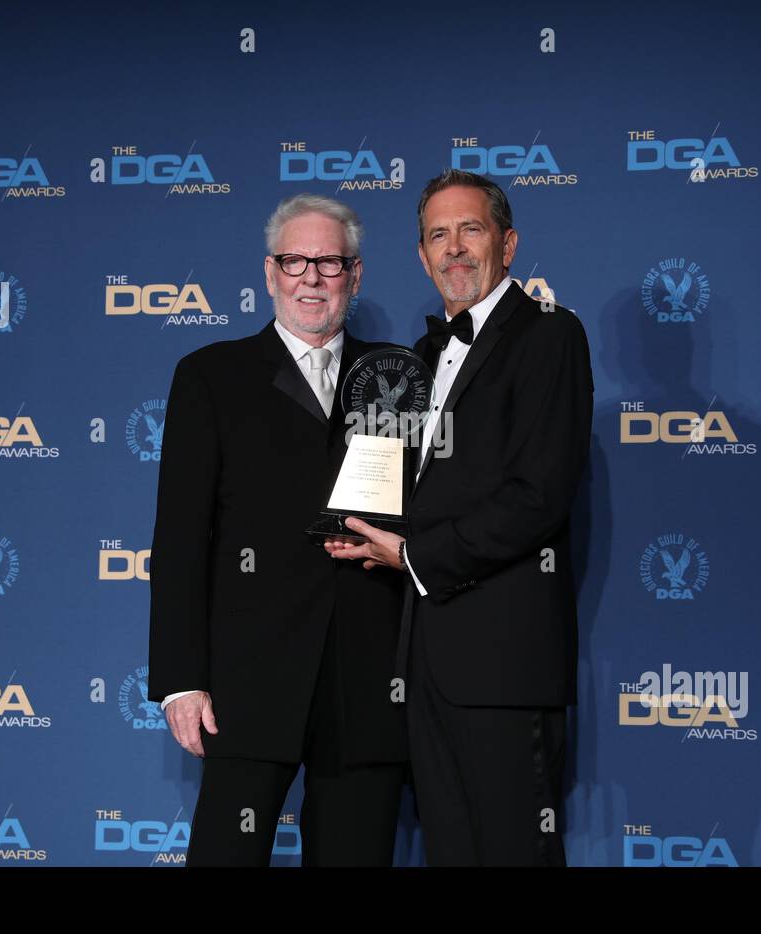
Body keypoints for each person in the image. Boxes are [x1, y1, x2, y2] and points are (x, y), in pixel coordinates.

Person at [326, 170, 593, 865]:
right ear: (421, 256)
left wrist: (413, 558)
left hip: (506, 665)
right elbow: (388, 491)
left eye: (470, 229)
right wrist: (350, 525)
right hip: (422, 663)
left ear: (508, 243)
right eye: (438, 235)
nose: (454, 249)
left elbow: (539, 494)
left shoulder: (550, 338)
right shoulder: (414, 362)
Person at [148, 194, 407, 866]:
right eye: (296, 261)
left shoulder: (400, 376)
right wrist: (181, 679)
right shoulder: (211, 376)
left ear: (355, 274)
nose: (311, 278)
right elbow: (179, 538)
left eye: (329, 262)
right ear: (269, 273)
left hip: (368, 673)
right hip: (247, 679)